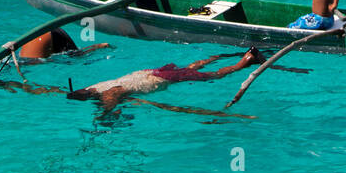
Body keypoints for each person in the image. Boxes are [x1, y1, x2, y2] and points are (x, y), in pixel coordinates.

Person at [67, 47, 265, 112]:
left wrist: (104, 115)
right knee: (188, 70)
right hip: (152, 72)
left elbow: (112, 99)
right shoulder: (93, 87)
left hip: (162, 78)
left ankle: (247, 60)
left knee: (214, 77)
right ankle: (212, 58)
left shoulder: (107, 92)